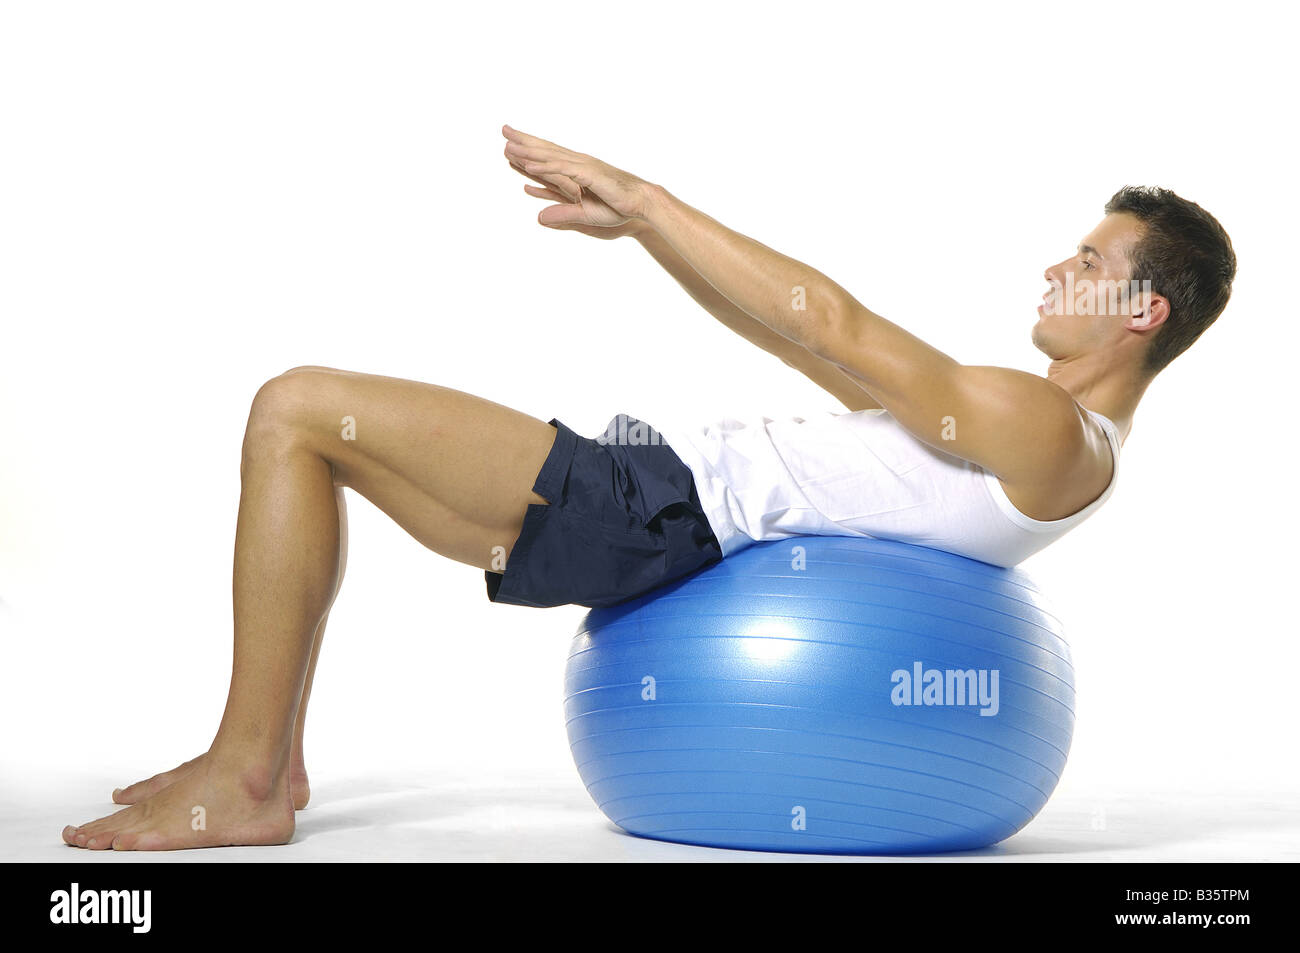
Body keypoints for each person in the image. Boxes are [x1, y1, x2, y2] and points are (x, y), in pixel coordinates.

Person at [62, 125, 1235, 850]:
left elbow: (829, 318)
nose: (1054, 266)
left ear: (1142, 314)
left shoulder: (1045, 426)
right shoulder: (1050, 440)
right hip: (655, 509)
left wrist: (649, 190)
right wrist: (643, 234)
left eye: (1088, 262)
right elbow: (806, 347)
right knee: (319, 432)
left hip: (654, 510)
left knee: (296, 405)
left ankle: (251, 770)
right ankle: (264, 758)